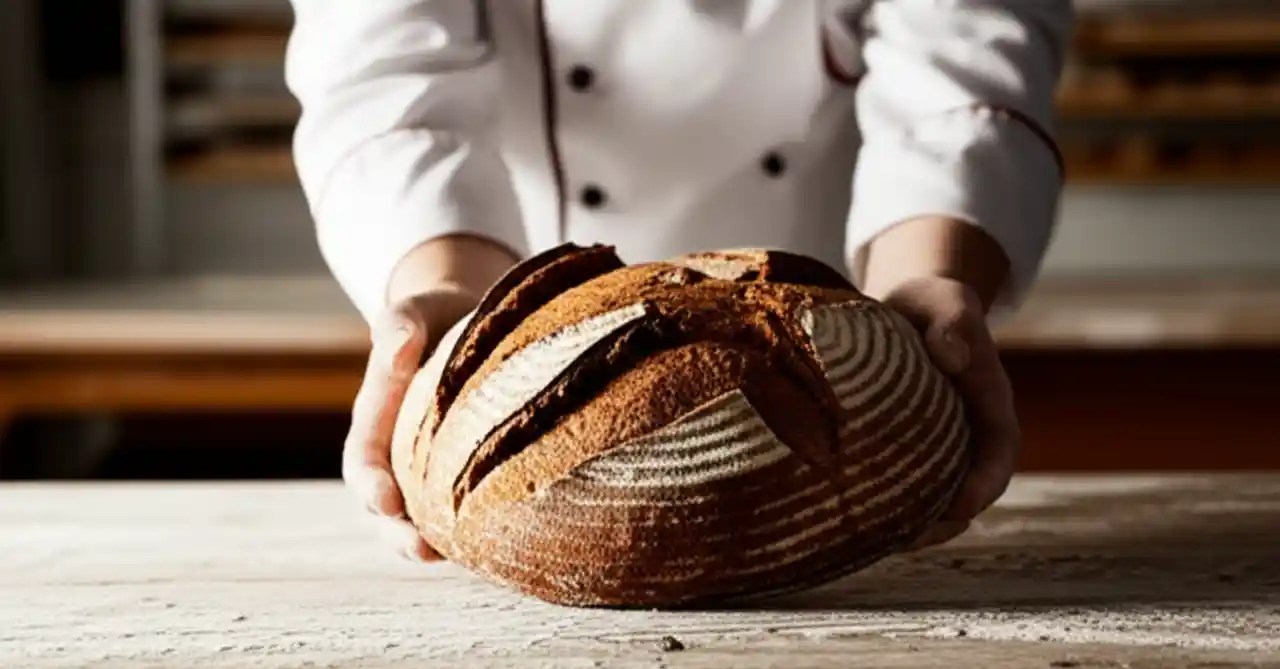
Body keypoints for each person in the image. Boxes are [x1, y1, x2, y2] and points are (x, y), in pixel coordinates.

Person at [286, 0, 1071, 561]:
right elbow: (385, 72)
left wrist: (932, 281)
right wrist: (452, 314)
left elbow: (961, 52)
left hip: (836, 334)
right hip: (522, 304)